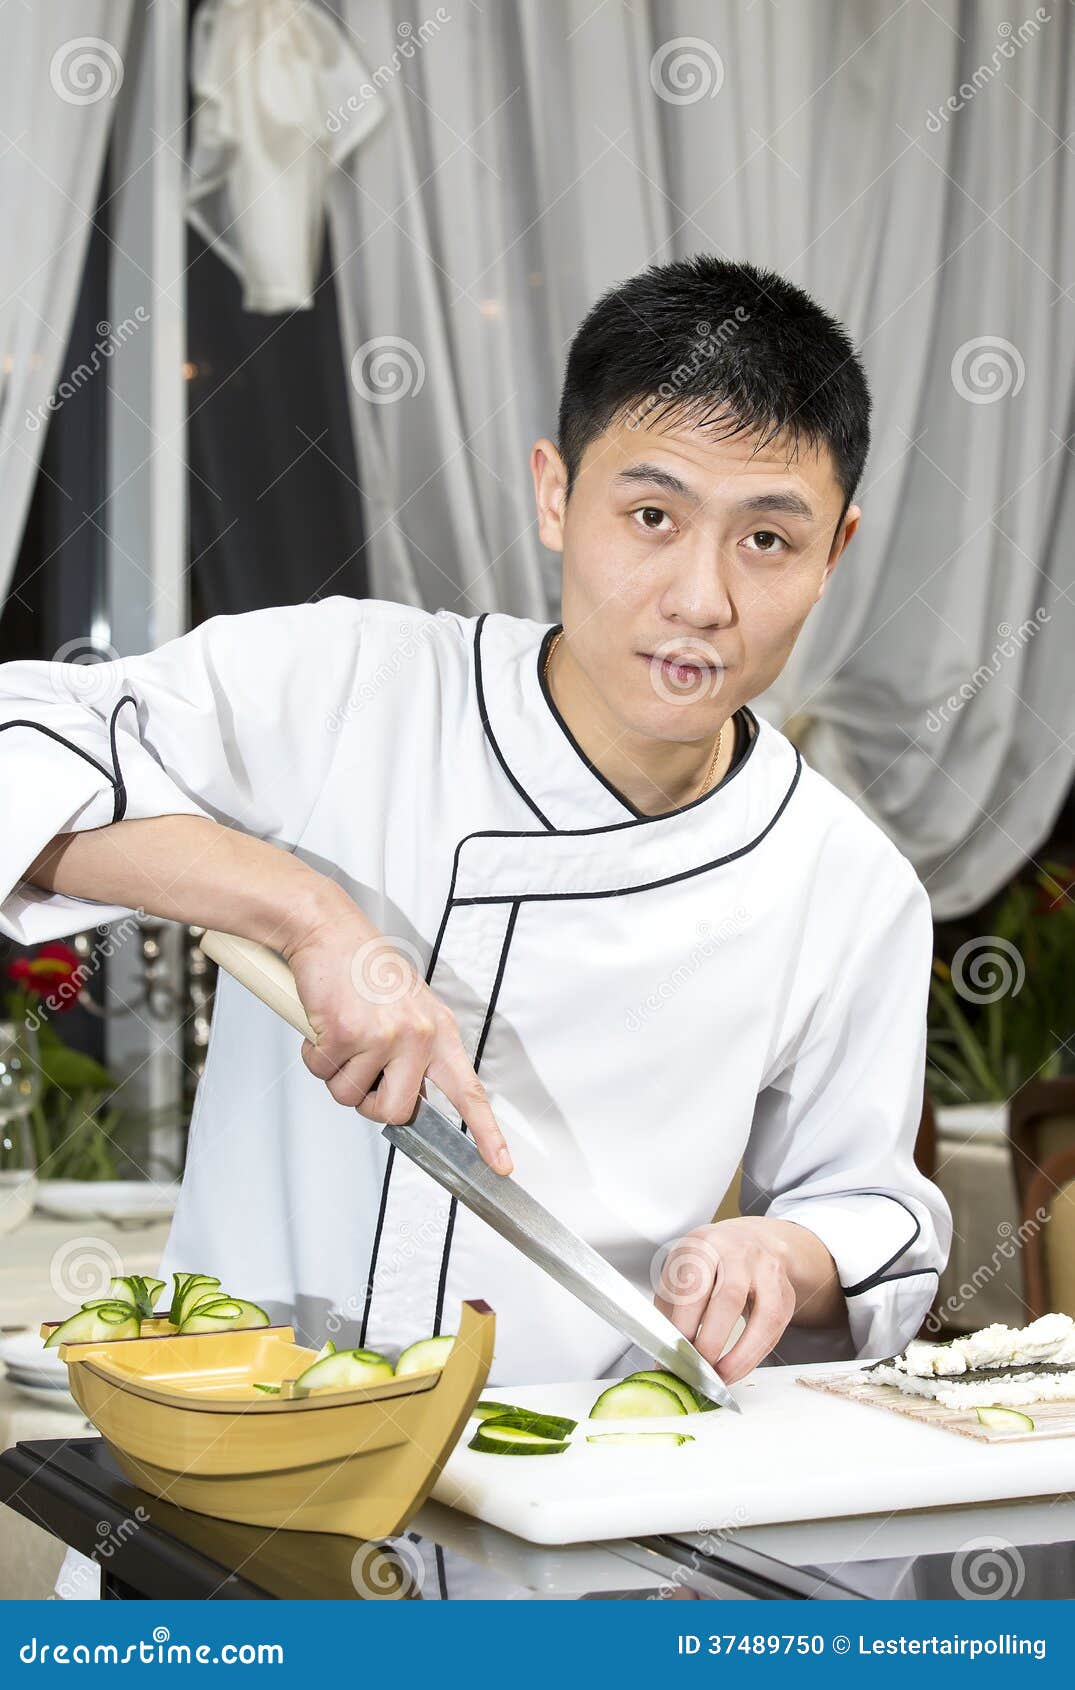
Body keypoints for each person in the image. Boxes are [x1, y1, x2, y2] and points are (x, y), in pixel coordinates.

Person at [0, 255, 950, 1598]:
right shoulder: (355, 685)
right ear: (557, 495)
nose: (702, 598)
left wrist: (782, 1255)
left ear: (837, 549)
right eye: (652, 514)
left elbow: (876, 1215)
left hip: (571, 1535)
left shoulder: (847, 883)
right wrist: (301, 904)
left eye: (769, 539)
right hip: (214, 1512)